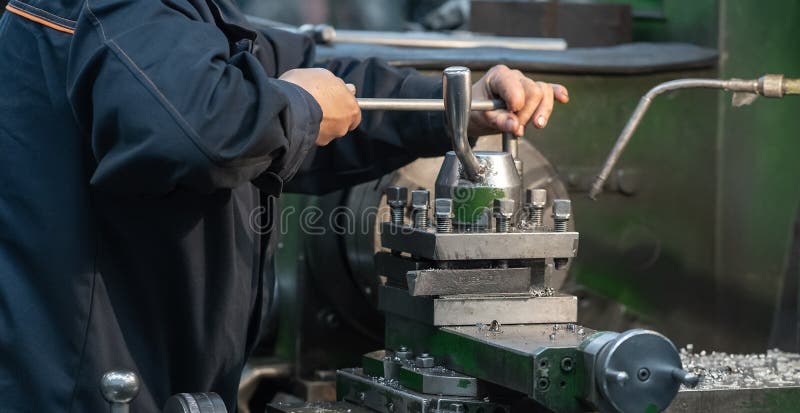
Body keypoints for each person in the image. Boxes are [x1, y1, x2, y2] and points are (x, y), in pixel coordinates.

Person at [0, 0, 568, 411]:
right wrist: (299, 108)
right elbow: (198, 131)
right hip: (85, 383)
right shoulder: (124, 7)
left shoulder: (171, 15)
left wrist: (454, 107)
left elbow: (296, 75)